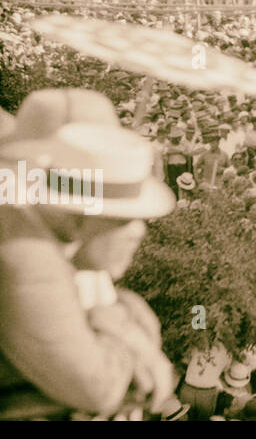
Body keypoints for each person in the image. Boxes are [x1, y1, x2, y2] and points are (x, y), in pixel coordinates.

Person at [0, 89, 177, 420]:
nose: (138, 231)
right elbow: (98, 387)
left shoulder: (29, 225)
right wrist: (127, 328)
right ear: (77, 214)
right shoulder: (29, 260)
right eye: (122, 218)